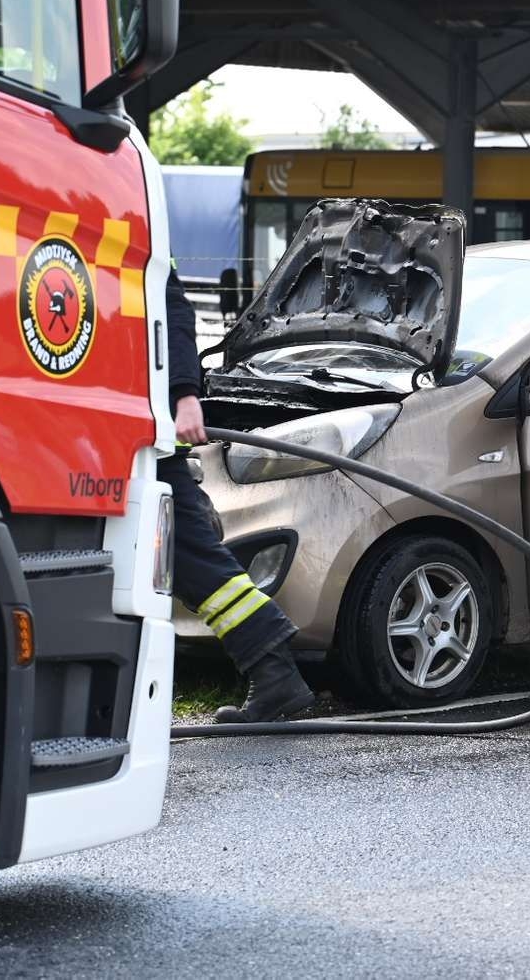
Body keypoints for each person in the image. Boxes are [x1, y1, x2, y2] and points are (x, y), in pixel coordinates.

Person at [162, 266, 316, 723]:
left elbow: (172, 314)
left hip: (141, 433)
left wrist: (185, 394)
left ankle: (275, 674)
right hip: (121, 431)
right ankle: (275, 676)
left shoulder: (129, 228)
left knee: (193, 558)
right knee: (190, 561)